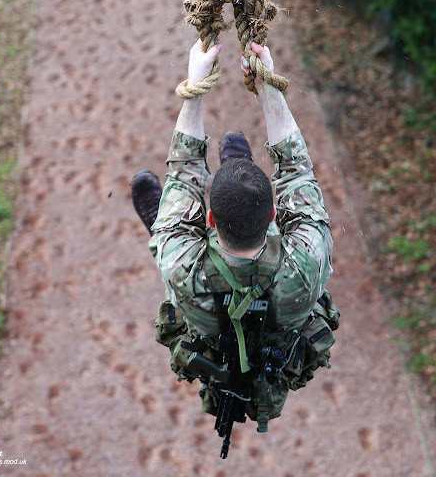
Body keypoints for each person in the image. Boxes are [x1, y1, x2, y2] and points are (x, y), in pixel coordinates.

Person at [132, 39, 336, 430]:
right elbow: (298, 173)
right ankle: (236, 182)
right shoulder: (306, 261)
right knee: (179, 240)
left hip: (203, 300)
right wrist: (268, 89)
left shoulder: (181, 266)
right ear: (274, 214)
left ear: (209, 218)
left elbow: (184, 175)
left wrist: (195, 88)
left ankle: (167, 222)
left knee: (170, 237)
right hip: (282, 313)